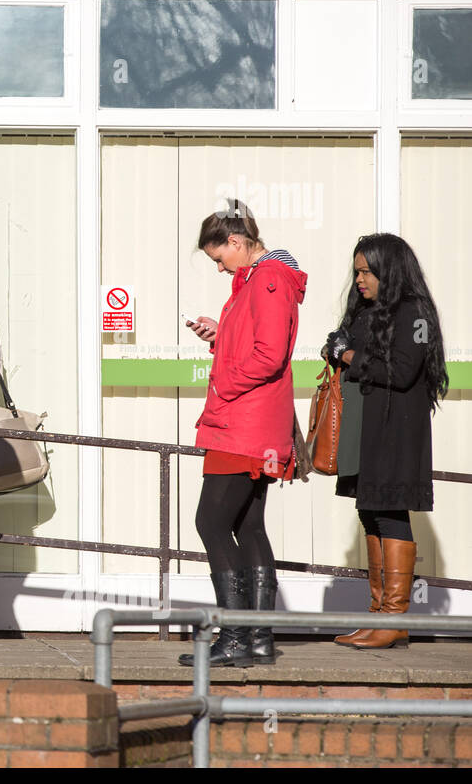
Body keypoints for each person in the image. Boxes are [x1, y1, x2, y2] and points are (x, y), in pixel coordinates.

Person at [180, 200, 306, 668]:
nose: (218, 267)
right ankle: (257, 639)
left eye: (219, 257)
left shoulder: (268, 279)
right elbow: (258, 342)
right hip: (256, 423)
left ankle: (234, 636)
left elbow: (270, 355)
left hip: (243, 424)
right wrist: (222, 332)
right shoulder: (257, 280)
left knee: (210, 523)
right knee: (248, 525)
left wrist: (224, 379)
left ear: (237, 242)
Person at [326, 234, 447, 650]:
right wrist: (337, 346)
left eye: (367, 271)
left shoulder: (413, 311)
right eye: (357, 271)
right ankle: (377, 615)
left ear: (389, 271)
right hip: (367, 430)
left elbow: (403, 370)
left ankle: (394, 618)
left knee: (391, 512)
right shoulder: (366, 311)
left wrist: (347, 356)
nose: (359, 279)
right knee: (371, 513)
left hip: (396, 432)